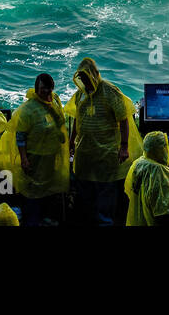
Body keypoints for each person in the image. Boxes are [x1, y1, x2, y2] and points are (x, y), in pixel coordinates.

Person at [65, 57, 143, 226]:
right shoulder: (80, 95)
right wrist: (71, 143)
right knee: (86, 190)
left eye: (87, 77)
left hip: (106, 154)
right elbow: (77, 121)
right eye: (82, 78)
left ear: (94, 75)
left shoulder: (110, 91)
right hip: (85, 154)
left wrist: (124, 147)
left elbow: (123, 119)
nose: (84, 81)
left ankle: (105, 222)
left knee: (105, 192)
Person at [0, 73, 69, 226]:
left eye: (49, 91)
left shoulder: (53, 102)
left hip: (50, 157)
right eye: (43, 91)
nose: (47, 94)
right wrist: (24, 159)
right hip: (34, 157)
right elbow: (20, 136)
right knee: (33, 192)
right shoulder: (28, 110)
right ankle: (32, 220)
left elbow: (60, 121)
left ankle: (43, 218)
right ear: (36, 89)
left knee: (48, 188)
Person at [124, 131, 169, 226]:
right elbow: (166, 213)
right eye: (166, 145)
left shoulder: (139, 163)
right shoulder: (159, 173)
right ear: (158, 150)